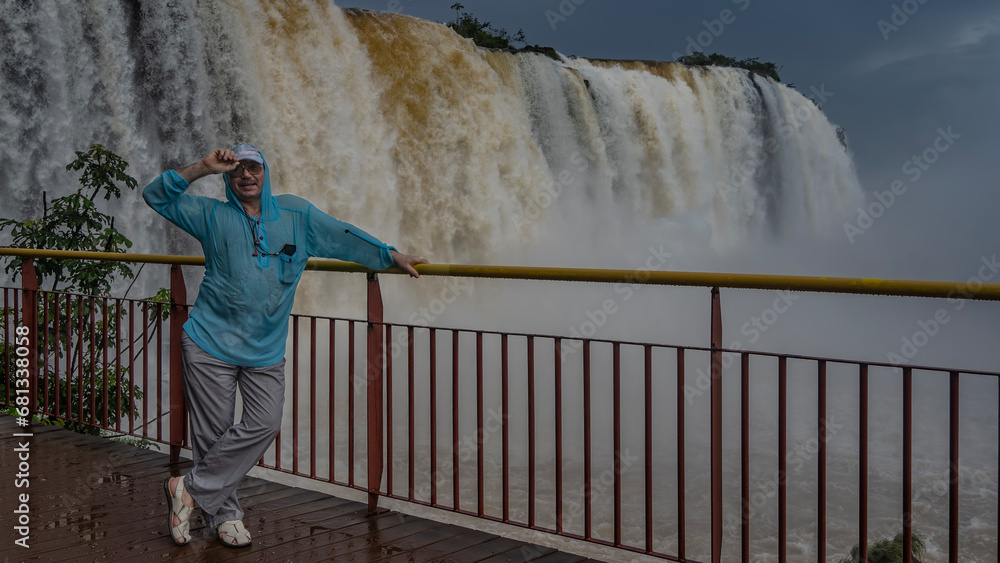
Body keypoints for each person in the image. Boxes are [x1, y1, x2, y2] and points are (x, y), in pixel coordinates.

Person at [143, 144, 427, 548]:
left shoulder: (297, 214)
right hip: (210, 343)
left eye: (253, 167)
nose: (246, 175)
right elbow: (156, 195)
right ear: (228, 176)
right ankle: (226, 516)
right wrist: (202, 167)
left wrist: (388, 255)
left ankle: (186, 488)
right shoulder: (211, 215)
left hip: (264, 350)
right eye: (237, 169)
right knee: (214, 435)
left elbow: (341, 235)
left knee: (265, 423)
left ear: (265, 172)